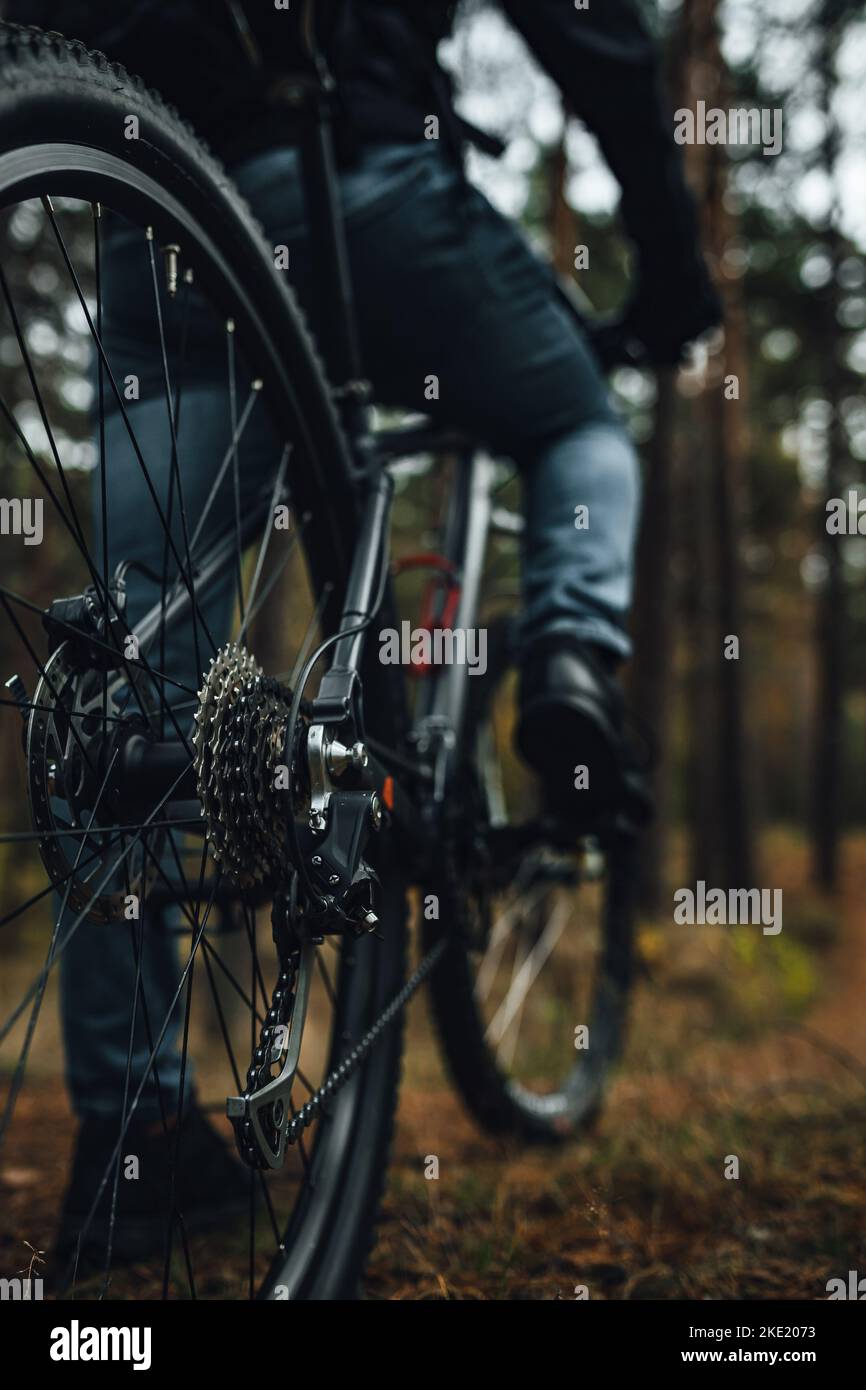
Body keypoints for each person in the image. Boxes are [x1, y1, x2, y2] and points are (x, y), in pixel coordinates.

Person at [5, 0, 721, 1262]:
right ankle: (563, 657)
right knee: (575, 428)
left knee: (128, 696)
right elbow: (599, 37)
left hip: (158, 217)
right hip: (352, 193)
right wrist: (667, 266)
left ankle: (141, 1137)